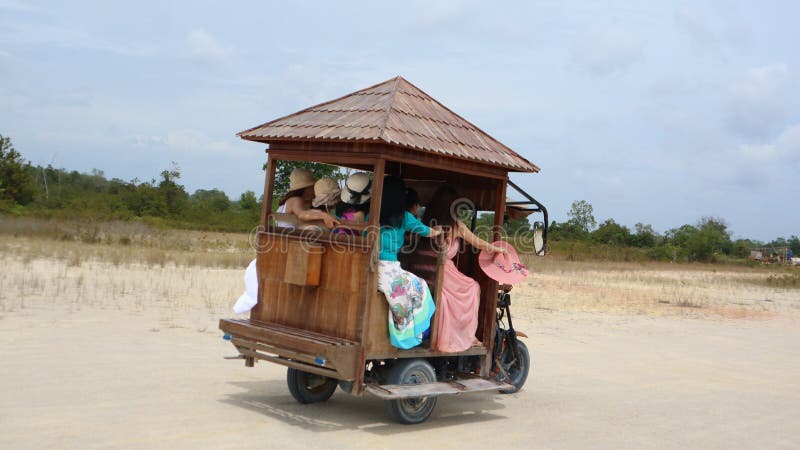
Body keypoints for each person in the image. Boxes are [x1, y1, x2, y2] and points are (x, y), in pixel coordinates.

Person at [421, 184, 506, 353]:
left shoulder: (425, 221)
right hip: (442, 271)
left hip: (423, 268)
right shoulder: (455, 226)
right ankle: (467, 335)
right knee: (473, 287)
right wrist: (498, 249)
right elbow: (478, 243)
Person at [373, 176, 442, 349]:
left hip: (371, 266)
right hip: (389, 269)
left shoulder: (372, 212)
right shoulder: (403, 217)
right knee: (421, 287)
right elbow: (427, 232)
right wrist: (437, 230)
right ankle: (410, 334)